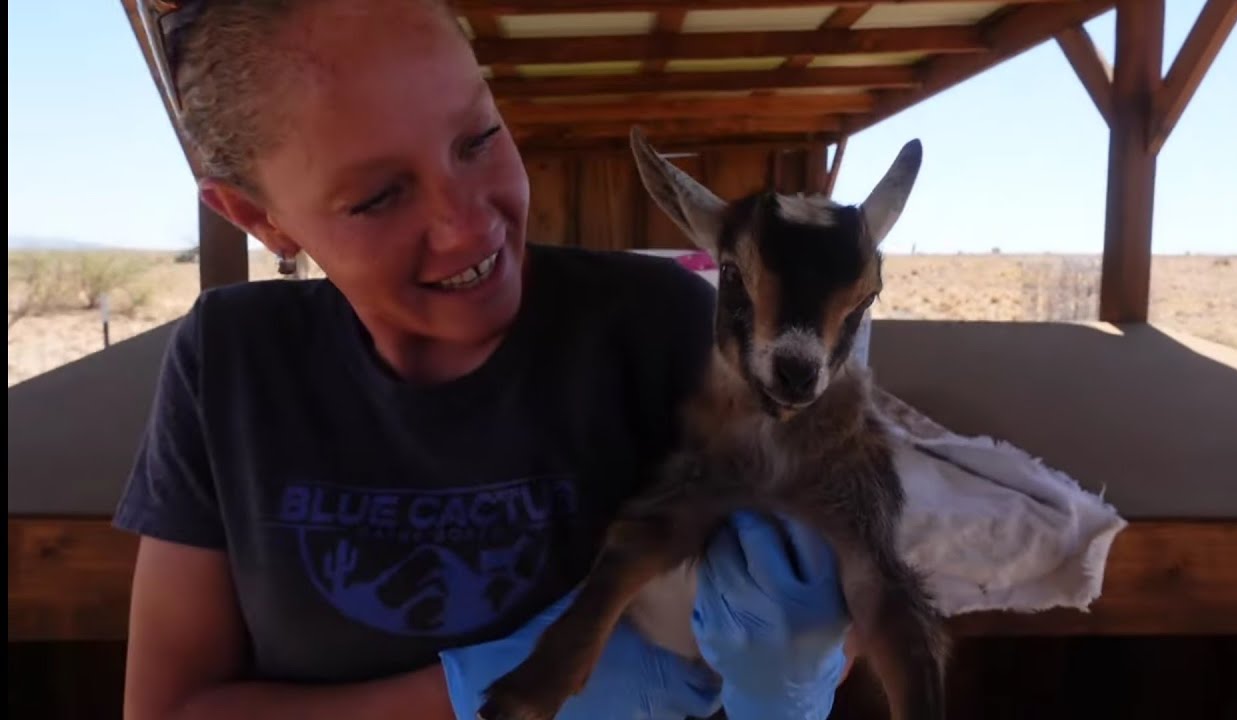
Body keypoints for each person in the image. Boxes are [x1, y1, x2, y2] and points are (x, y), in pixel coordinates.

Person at [114, 1, 856, 718]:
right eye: (377, 198)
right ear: (260, 218)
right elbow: (169, 706)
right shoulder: (234, 362)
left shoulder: (666, 327)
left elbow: (815, 593)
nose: (469, 227)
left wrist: (798, 677)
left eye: (478, 140)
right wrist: (479, 696)